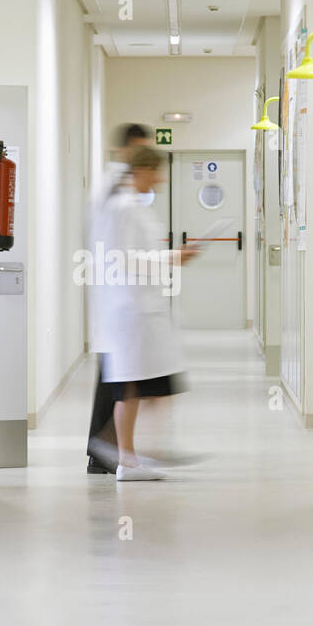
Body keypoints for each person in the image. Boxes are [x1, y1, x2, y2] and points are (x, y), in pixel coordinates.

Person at [99, 144, 199, 481]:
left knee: (144, 387)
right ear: (141, 171)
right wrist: (171, 258)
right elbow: (125, 260)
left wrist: (171, 256)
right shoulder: (123, 208)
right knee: (130, 387)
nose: (160, 179)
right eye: (155, 172)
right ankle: (128, 459)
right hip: (132, 310)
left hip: (143, 309)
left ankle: (137, 455)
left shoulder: (134, 207)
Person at [86, 123, 151, 474]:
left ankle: (107, 452)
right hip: (115, 296)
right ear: (125, 150)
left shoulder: (120, 186)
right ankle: (103, 452)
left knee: (116, 377)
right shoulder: (112, 189)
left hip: (118, 298)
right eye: (139, 151)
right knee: (115, 380)